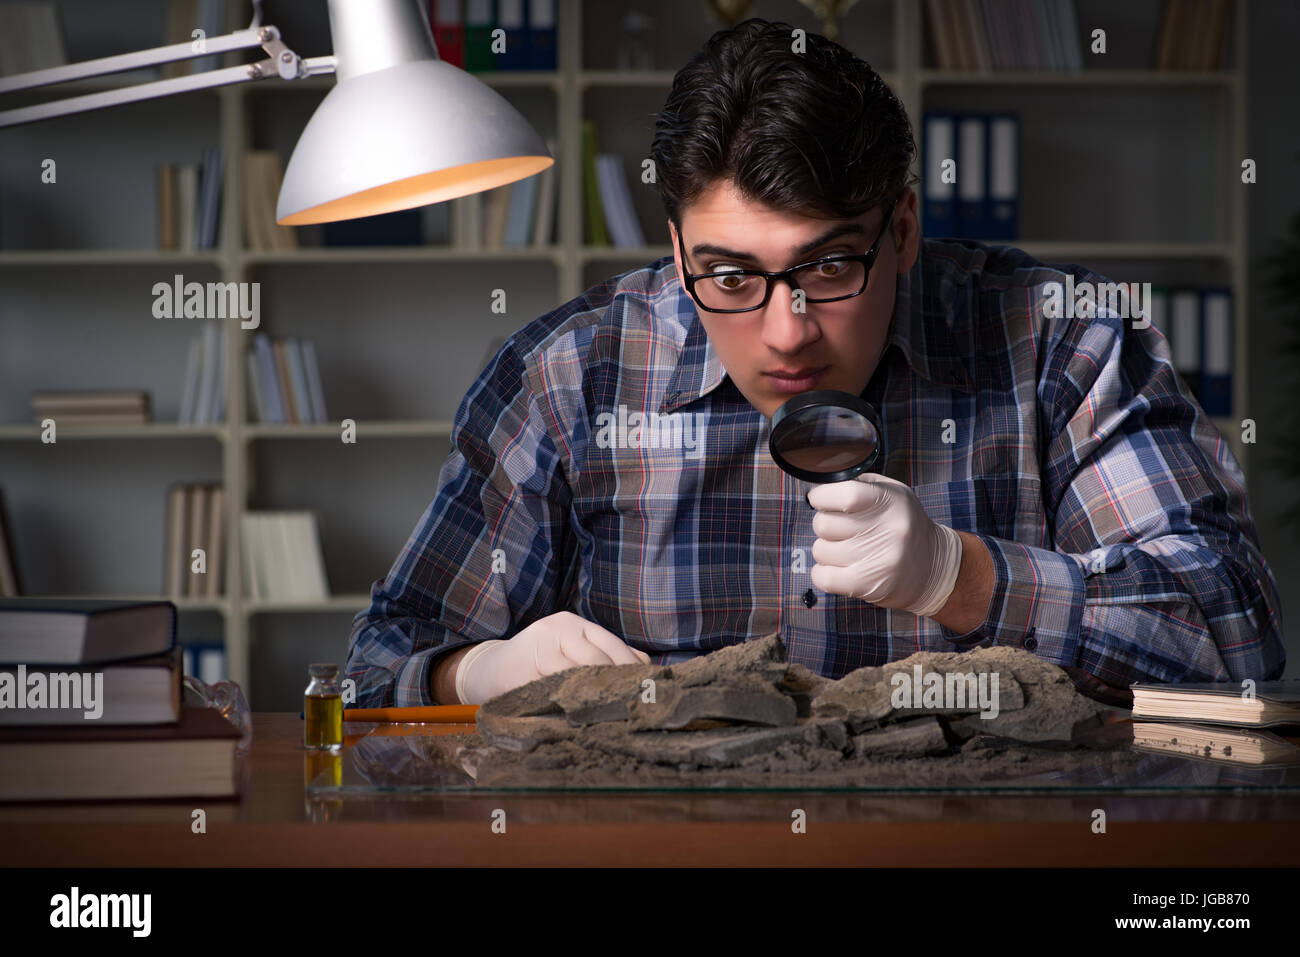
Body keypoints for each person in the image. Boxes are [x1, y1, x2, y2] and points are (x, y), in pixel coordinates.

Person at [345, 18, 1285, 709]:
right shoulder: (568, 377)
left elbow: (1235, 632)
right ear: (677, 253)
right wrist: (474, 671)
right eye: (729, 276)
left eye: (829, 267)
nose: (787, 331)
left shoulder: (1062, 343)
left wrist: (962, 578)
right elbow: (372, 669)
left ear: (903, 229)